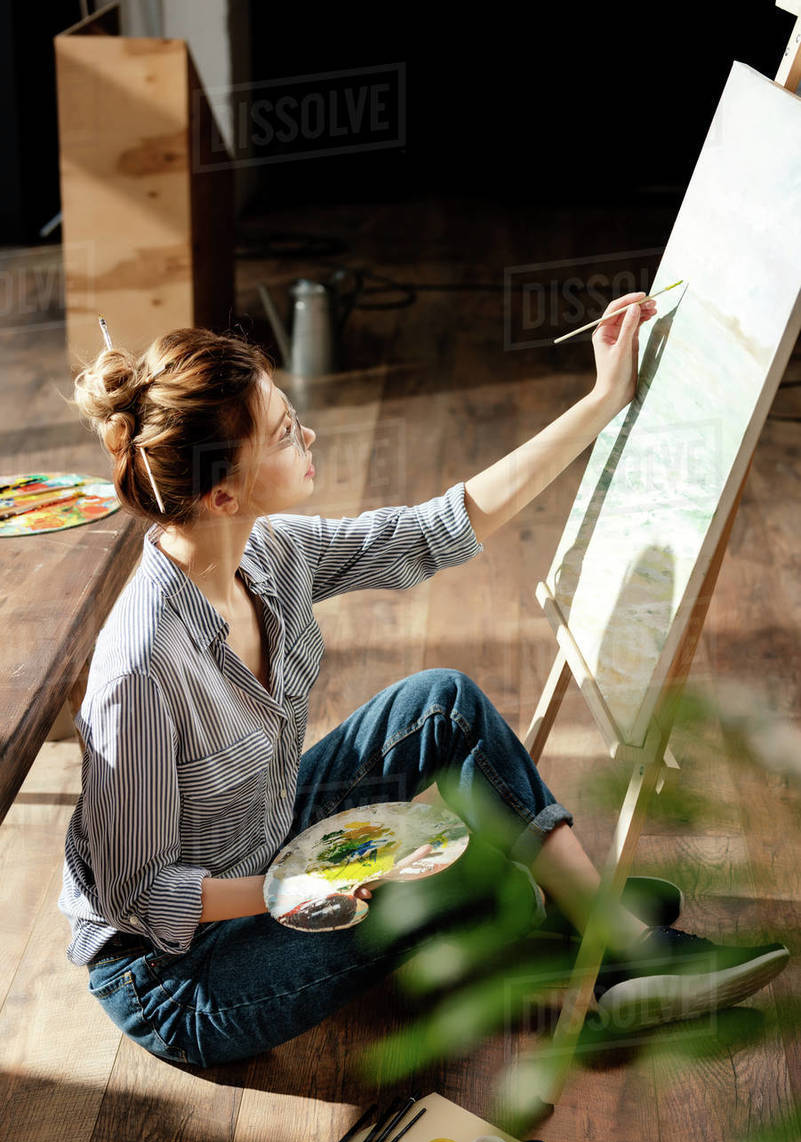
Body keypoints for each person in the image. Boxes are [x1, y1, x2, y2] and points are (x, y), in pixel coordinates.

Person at [58, 293, 789, 1068]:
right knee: (466, 874)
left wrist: (601, 400)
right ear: (223, 494)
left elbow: (436, 529)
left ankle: (607, 934)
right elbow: (136, 896)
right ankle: (595, 945)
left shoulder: (270, 554)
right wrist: (305, 886)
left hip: (256, 842)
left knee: (441, 703)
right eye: (280, 435)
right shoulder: (139, 667)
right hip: (180, 975)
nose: (306, 435)